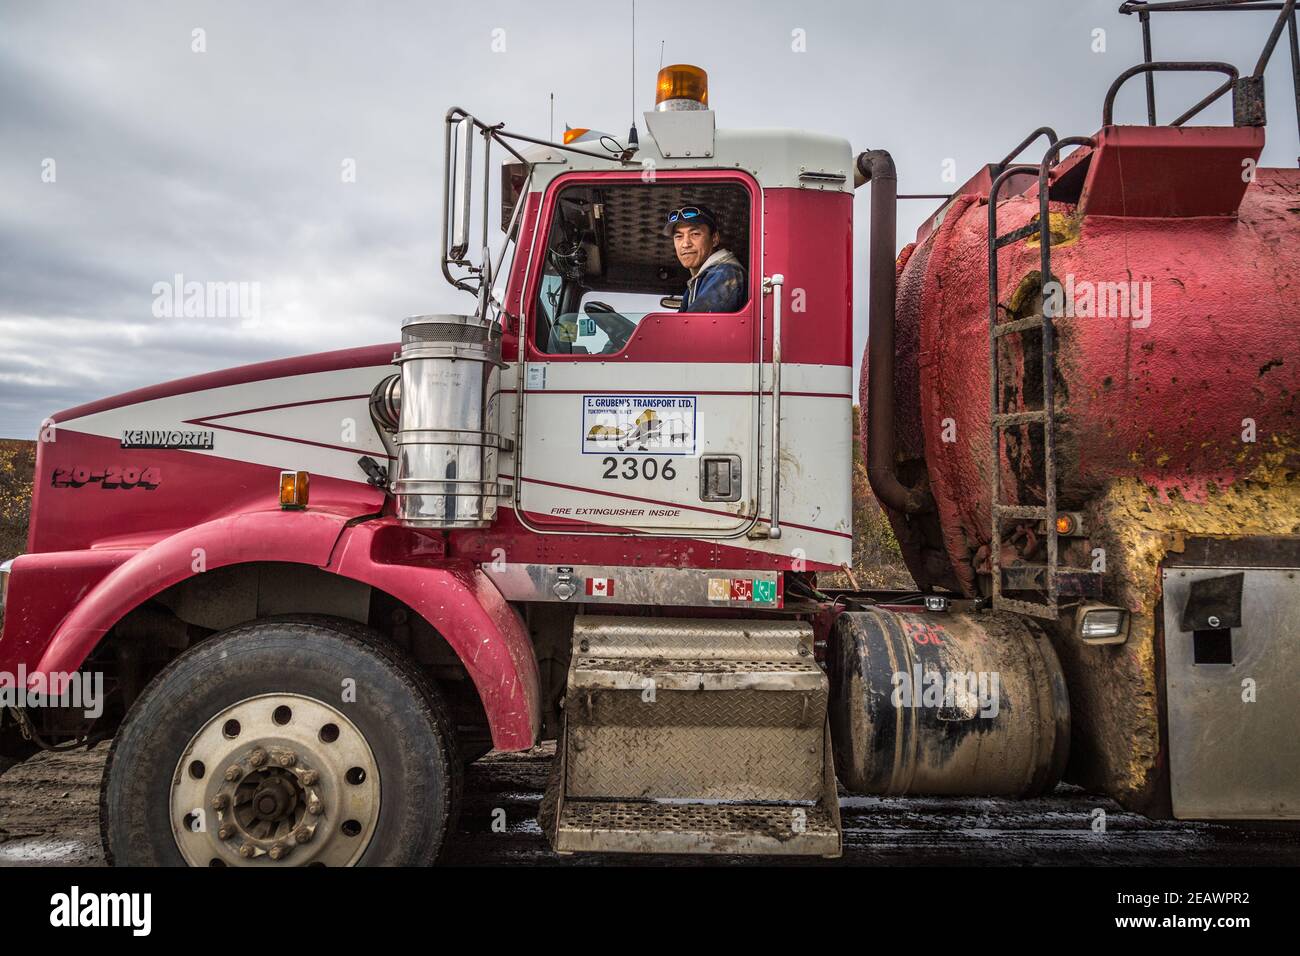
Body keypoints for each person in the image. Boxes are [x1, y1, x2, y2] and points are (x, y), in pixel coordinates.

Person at [664, 205, 746, 312]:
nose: (685, 244)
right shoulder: (701, 279)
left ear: (715, 239)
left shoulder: (725, 273)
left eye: (695, 234)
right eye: (679, 236)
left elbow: (692, 326)